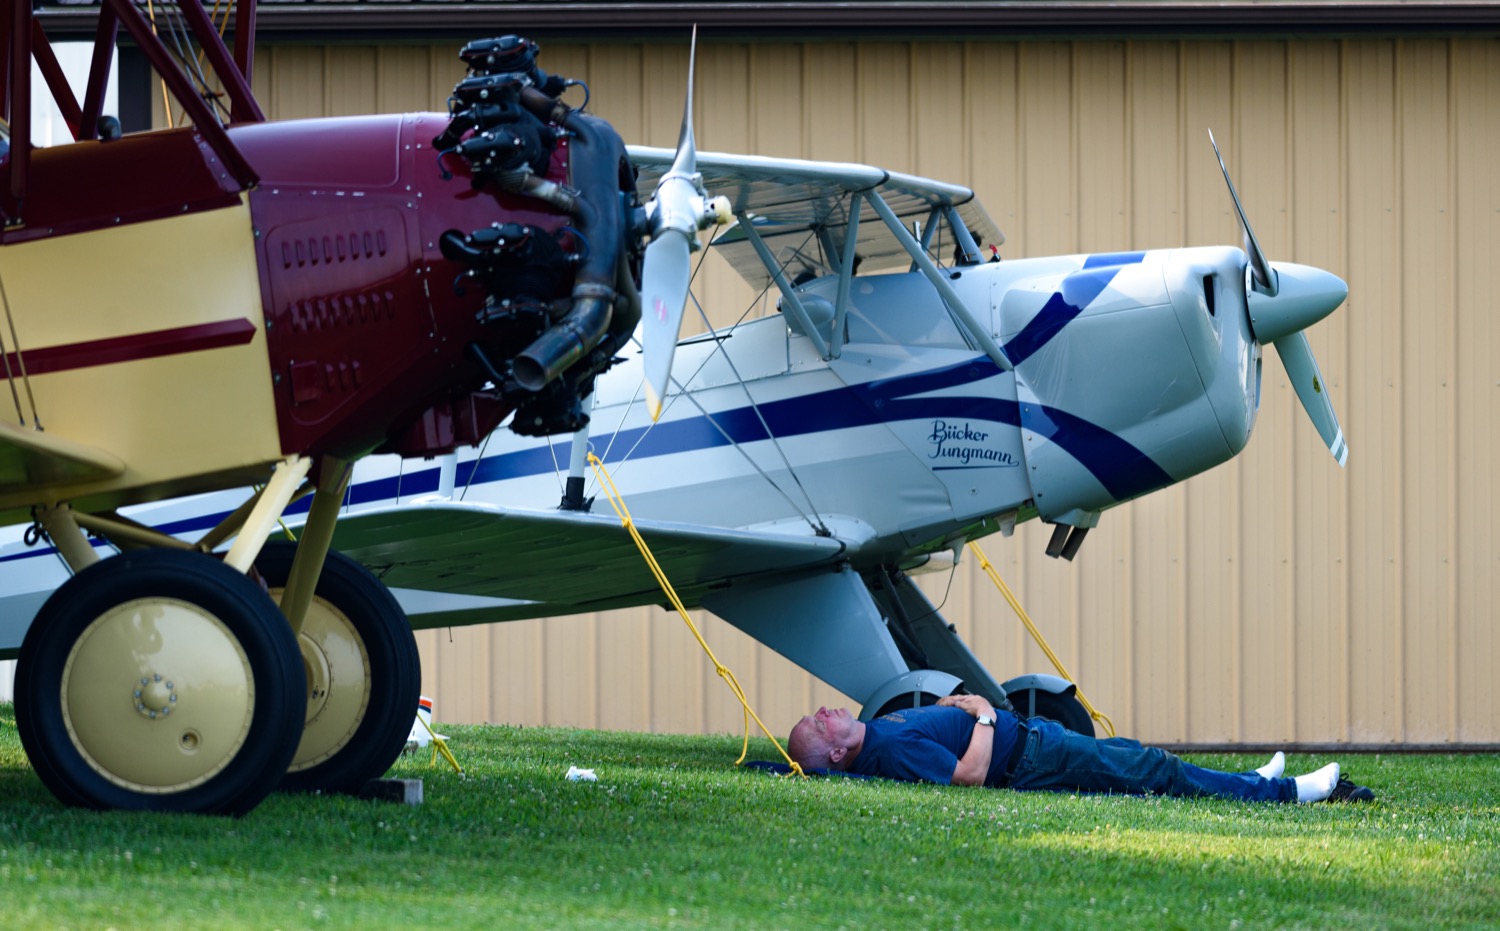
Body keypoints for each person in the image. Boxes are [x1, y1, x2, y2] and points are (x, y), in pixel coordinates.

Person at [788, 695, 1375, 803]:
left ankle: (1252, 781)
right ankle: (1289, 793)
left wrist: (948, 708)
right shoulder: (889, 755)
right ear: (836, 756)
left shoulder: (879, 733)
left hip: (1036, 742)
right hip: (1031, 756)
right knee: (1153, 768)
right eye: (819, 725)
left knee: (1142, 762)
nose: (824, 711)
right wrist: (985, 715)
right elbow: (966, 778)